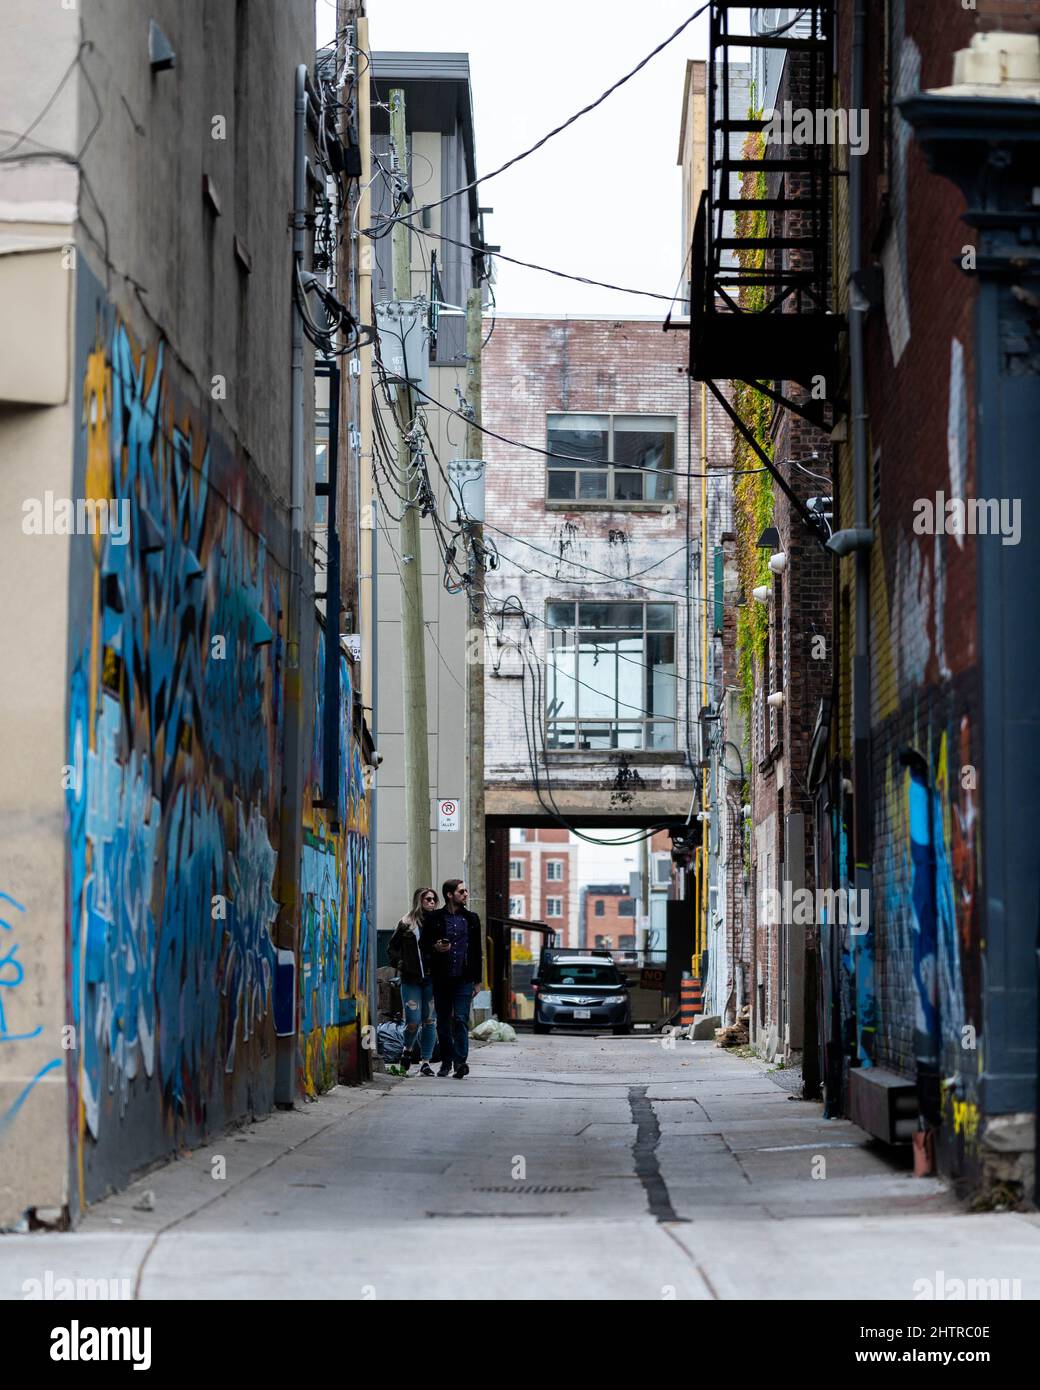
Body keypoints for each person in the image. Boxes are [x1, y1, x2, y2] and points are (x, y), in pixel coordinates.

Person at [421, 879, 483, 1079]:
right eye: (461, 891)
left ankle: (460, 1063)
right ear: (449, 895)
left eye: (466, 891)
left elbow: (477, 951)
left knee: (461, 1019)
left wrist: (478, 980)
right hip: (442, 978)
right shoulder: (435, 918)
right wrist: (435, 947)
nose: (465, 894)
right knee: (444, 1021)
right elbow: (423, 945)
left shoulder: (472, 919)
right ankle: (446, 1062)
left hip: (464, 978)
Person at [387, 887, 439, 1077]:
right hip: (411, 979)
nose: (431, 902)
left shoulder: (439, 922)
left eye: (434, 899)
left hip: (432, 979)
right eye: (427, 899)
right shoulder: (406, 923)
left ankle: (425, 1062)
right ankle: (407, 1050)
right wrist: (401, 963)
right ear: (419, 901)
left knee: (430, 1020)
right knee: (413, 1022)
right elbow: (392, 948)